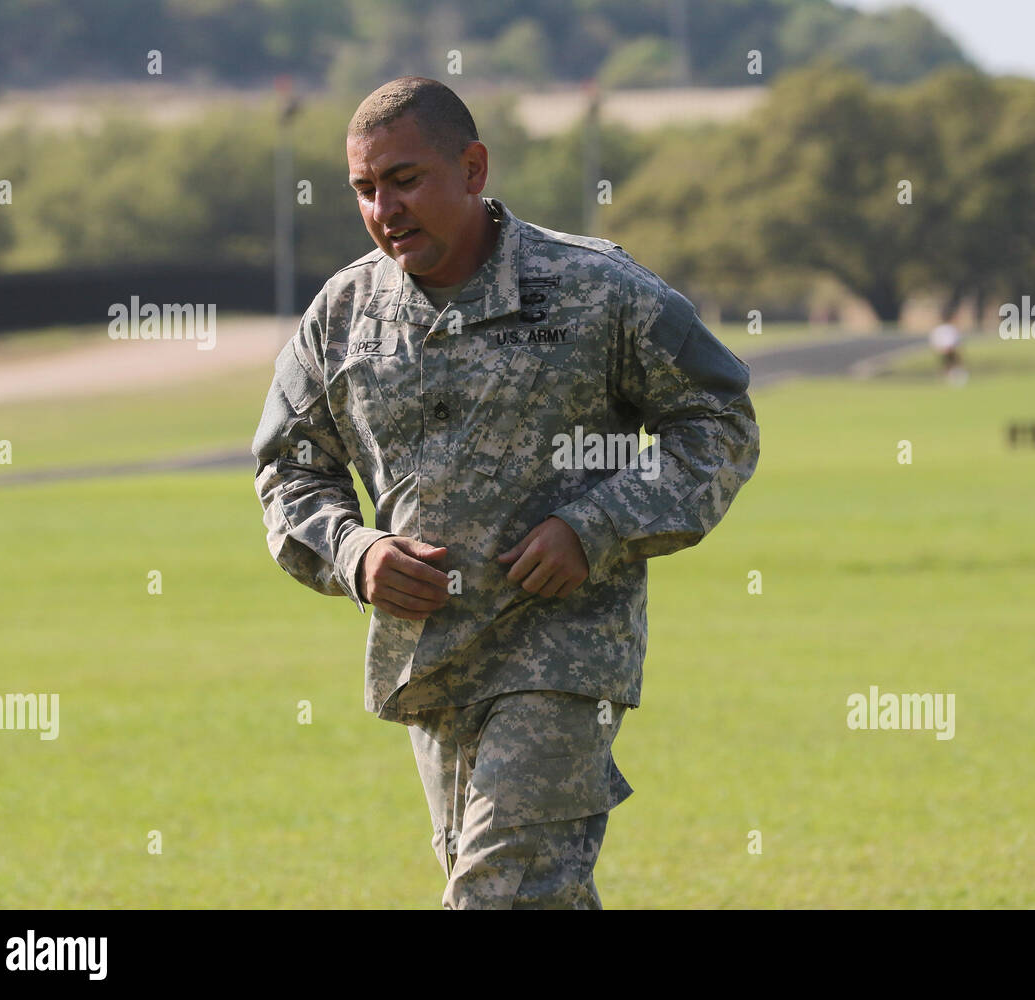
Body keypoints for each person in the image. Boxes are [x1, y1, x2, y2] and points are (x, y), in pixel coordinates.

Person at [250, 77, 759, 909]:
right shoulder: (342, 313)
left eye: (407, 179)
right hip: (432, 661)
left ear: (474, 168)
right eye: (365, 189)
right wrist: (356, 550)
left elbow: (717, 421)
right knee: (540, 897)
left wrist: (594, 526)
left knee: (495, 897)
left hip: (562, 655)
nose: (385, 208)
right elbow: (289, 468)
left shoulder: (597, 289)